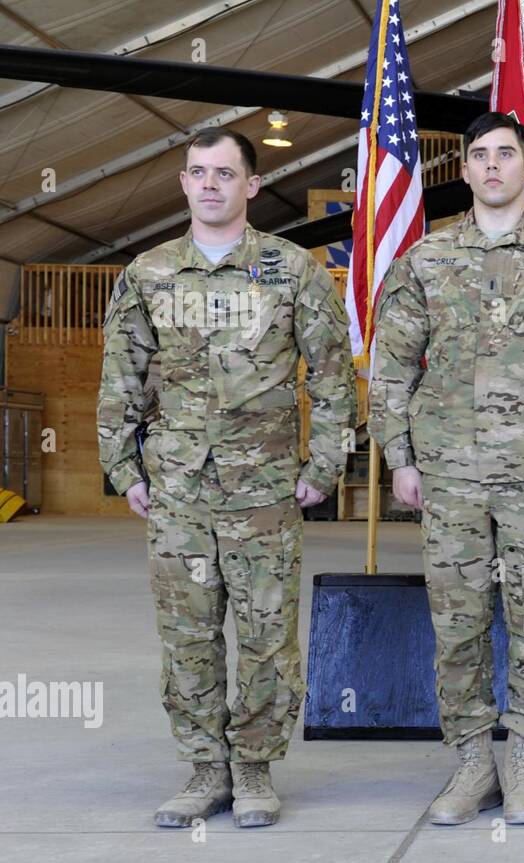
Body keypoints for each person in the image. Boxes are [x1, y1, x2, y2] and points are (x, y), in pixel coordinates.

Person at [97, 126, 357, 827]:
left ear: (250, 186)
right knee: (187, 632)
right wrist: (123, 468)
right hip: (179, 491)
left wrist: (326, 465)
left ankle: (254, 770)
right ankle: (204, 768)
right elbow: (120, 377)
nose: (208, 184)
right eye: (196, 172)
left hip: (265, 491)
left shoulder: (291, 270)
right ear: (183, 184)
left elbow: (333, 375)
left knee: (266, 633)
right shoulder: (148, 274)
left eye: (223, 173)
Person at [369, 112, 524, 825]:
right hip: (447, 475)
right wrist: (400, 456)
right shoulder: (426, 259)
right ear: (464, 169)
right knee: (457, 622)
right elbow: (391, 367)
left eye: (504, 154)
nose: (490, 167)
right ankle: (474, 761)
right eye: (478, 156)